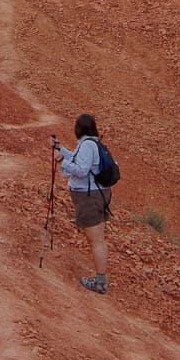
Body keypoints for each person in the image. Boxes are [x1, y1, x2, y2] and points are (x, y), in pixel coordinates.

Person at [53, 113, 110, 294]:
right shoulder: (91, 143)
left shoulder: (87, 145)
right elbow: (78, 161)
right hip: (98, 194)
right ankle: (101, 278)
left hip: (89, 197)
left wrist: (62, 161)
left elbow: (81, 170)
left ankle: (100, 282)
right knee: (99, 240)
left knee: (96, 241)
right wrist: (61, 149)